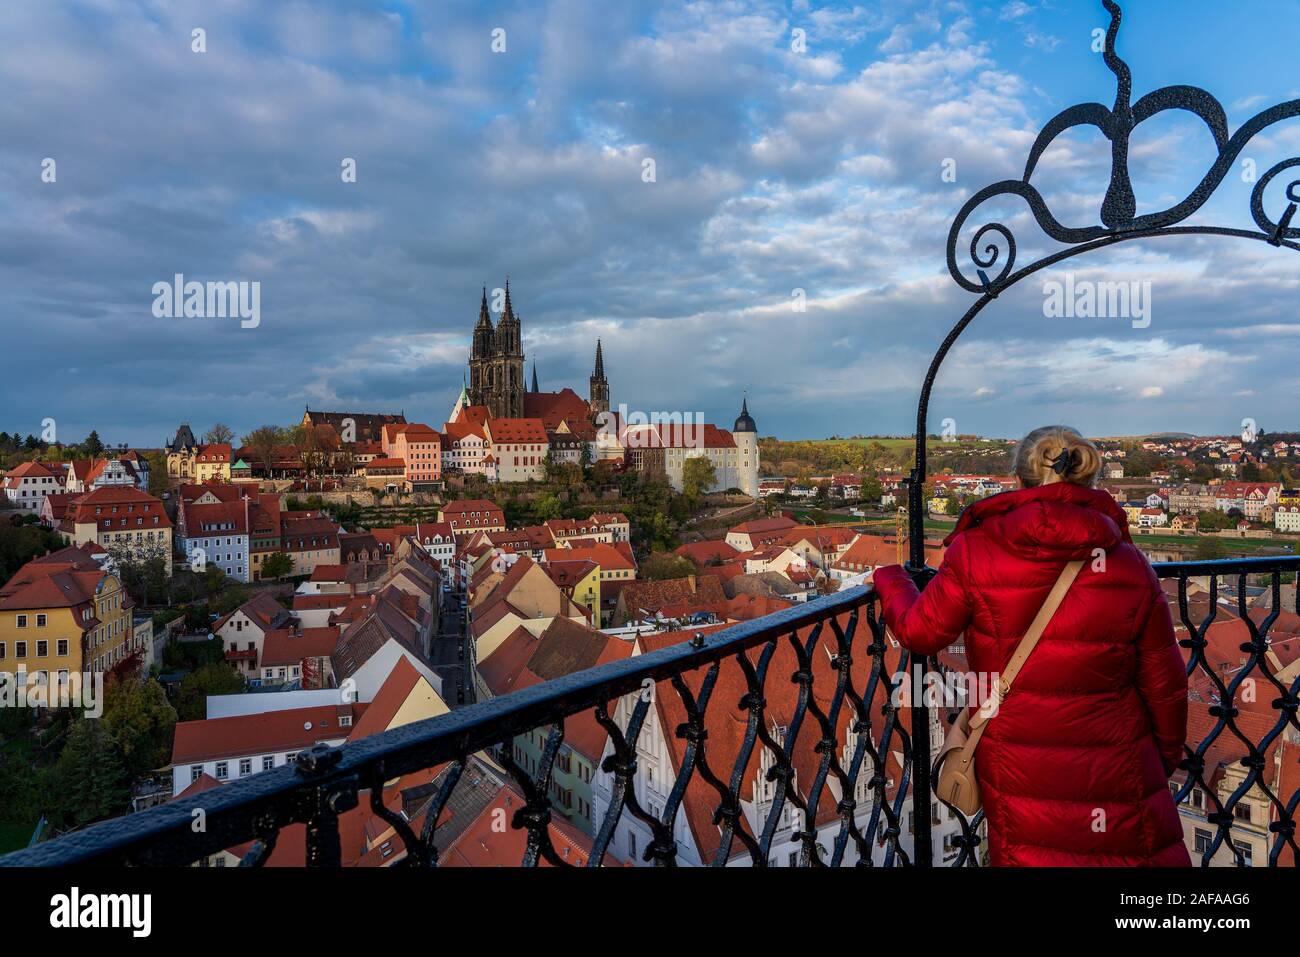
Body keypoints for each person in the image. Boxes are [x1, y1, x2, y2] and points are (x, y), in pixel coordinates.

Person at [873, 426, 1190, 866]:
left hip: (1020, 761)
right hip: (1118, 762)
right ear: (1087, 480)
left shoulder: (976, 550)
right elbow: (1165, 684)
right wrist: (1162, 759)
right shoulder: (1127, 561)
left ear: (1017, 480)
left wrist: (890, 578)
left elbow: (920, 633)